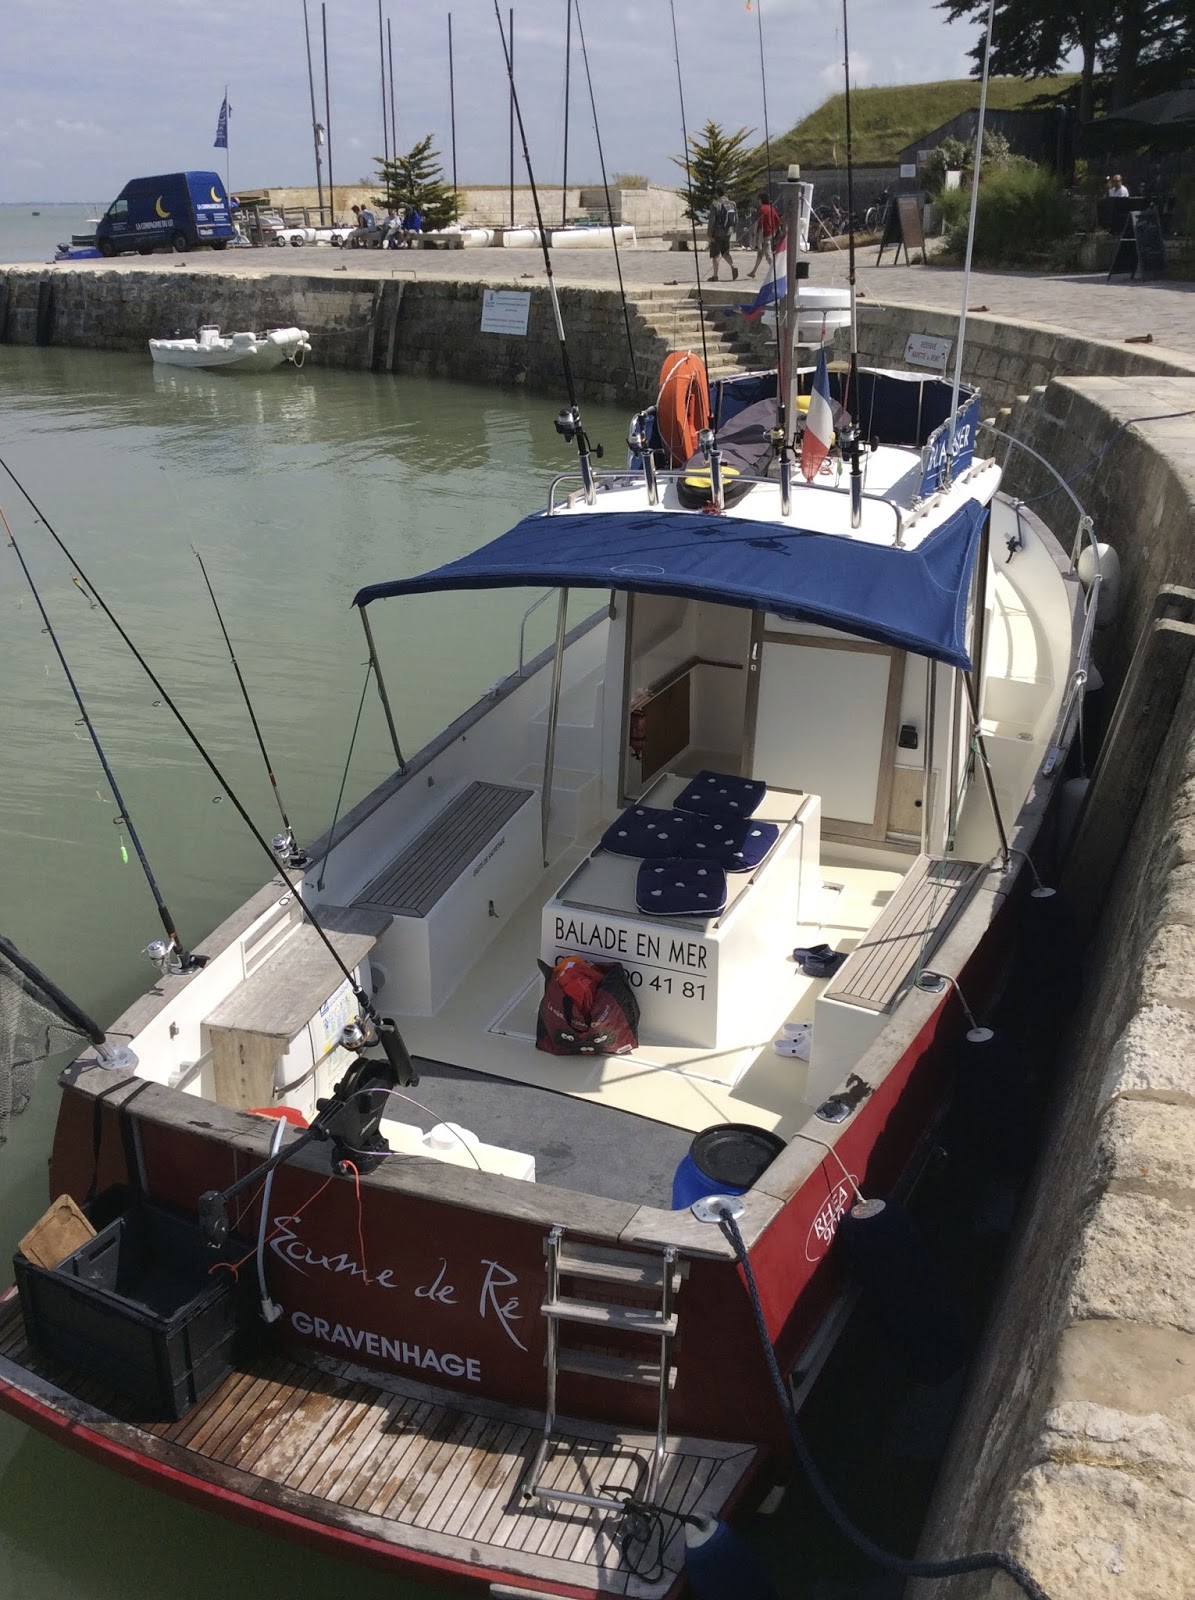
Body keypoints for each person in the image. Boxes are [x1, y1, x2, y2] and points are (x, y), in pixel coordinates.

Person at [747, 190, 781, 279]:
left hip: (765, 234)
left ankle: (776, 271)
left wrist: (755, 233)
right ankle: (753, 272)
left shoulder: (762, 209)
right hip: (771, 233)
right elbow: (778, 220)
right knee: (760, 253)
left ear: (761, 200)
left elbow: (760, 223)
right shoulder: (772, 208)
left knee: (767, 254)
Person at [706, 190, 738, 281]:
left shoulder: (715, 204)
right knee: (725, 253)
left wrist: (709, 234)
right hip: (728, 232)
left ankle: (715, 276)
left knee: (715, 255)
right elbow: (736, 219)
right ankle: (733, 266)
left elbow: (711, 221)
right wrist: (733, 230)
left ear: (717, 193)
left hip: (717, 233)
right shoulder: (732, 204)